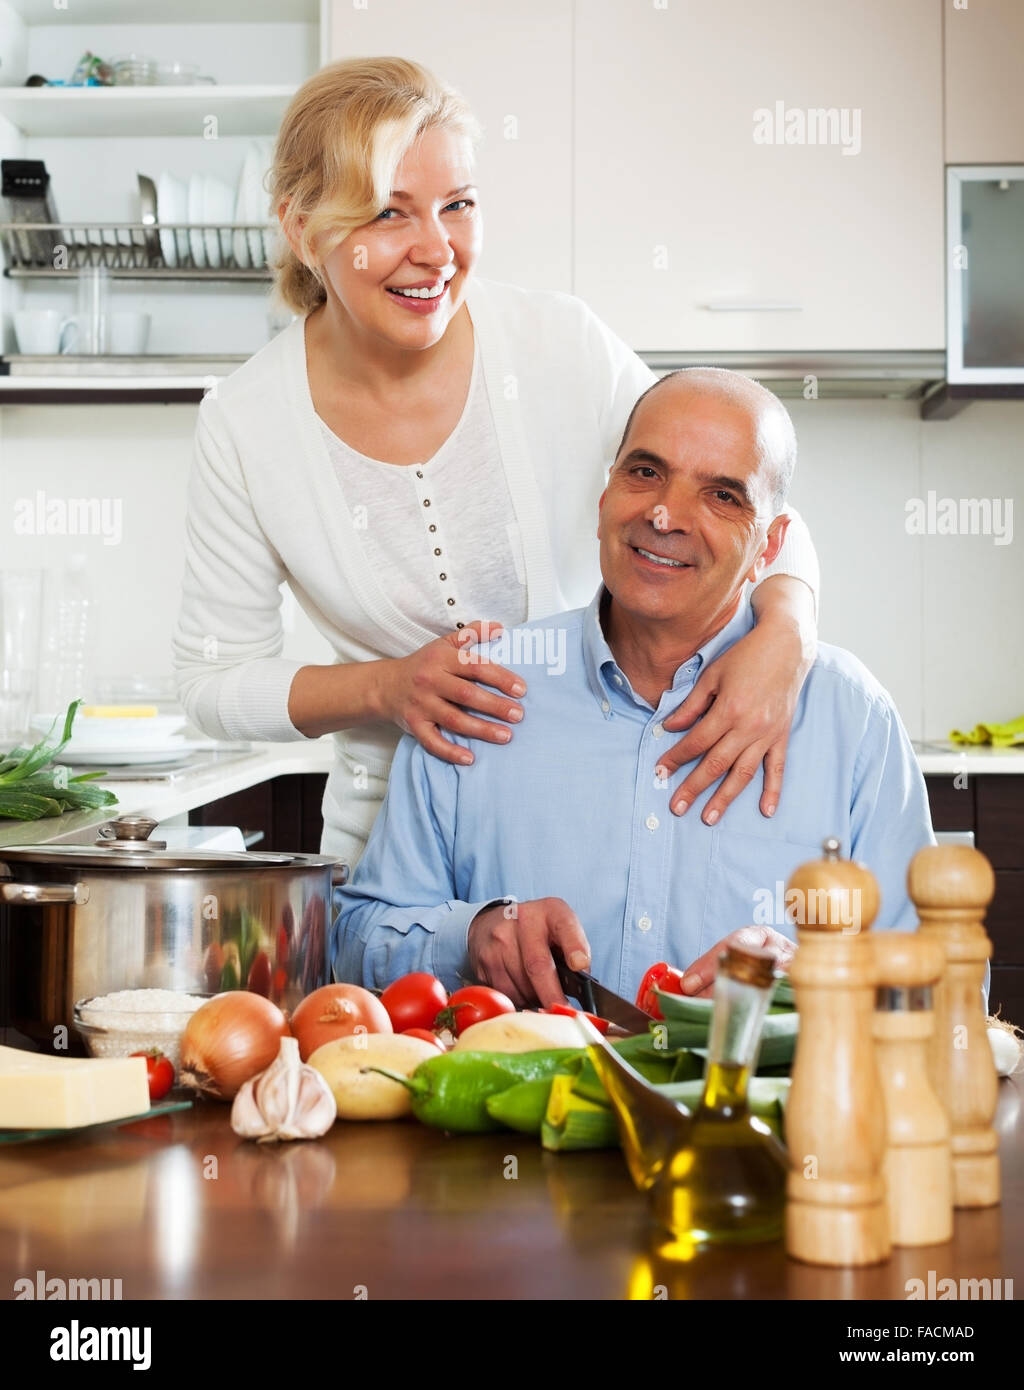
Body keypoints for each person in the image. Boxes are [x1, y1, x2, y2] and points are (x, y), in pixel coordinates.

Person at [172, 56, 820, 871]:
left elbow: (742, 503)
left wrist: (786, 636)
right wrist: (387, 688)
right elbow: (212, 685)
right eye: (388, 213)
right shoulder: (246, 424)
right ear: (303, 228)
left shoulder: (560, 346)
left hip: (598, 829)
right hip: (389, 863)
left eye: (458, 206)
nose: (436, 249)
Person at [333, 369, 935, 1006]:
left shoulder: (851, 718)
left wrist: (820, 984)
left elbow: (942, 989)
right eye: (646, 472)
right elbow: (352, 947)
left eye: (723, 495)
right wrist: (469, 935)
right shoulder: (477, 689)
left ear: (771, 547)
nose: (665, 514)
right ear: (604, 497)